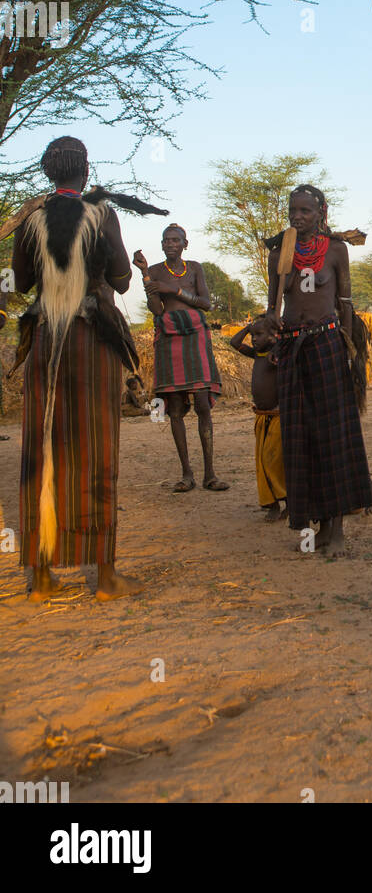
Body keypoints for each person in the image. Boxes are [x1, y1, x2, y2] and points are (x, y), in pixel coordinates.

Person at [11, 136, 141, 602]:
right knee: (97, 450)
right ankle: (105, 578)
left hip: (46, 339)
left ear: (49, 172)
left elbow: (22, 281)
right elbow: (123, 278)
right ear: (85, 171)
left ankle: (41, 578)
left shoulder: (31, 220)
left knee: (42, 450)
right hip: (92, 340)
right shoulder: (103, 214)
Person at [267, 184, 372, 557]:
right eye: (293, 211)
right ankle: (313, 529)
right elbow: (273, 307)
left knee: (333, 436)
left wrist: (349, 352)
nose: (297, 217)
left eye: (305, 212)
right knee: (299, 438)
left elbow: (345, 302)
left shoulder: (336, 250)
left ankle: (337, 529)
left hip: (328, 343)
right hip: (292, 348)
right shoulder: (280, 252)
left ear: (321, 212)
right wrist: (270, 324)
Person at [133, 225, 226, 492]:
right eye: (166, 240)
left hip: (196, 336)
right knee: (174, 408)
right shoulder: (155, 271)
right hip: (169, 338)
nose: (170, 243)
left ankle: (210, 474)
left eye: (176, 240)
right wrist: (145, 276)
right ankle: (187, 474)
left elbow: (206, 303)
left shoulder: (195, 268)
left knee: (202, 405)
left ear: (185, 243)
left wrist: (173, 290)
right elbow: (156, 310)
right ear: (162, 245)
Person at [228, 315, 287, 520]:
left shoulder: (276, 355)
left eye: (258, 334)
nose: (253, 339)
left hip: (278, 416)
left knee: (274, 462)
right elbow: (234, 343)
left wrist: (275, 339)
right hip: (261, 417)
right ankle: (272, 505)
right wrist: (248, 328)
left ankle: (287, 501)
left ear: (273, 336)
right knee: (262, 463)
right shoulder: (258, 354)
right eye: (253, 336)